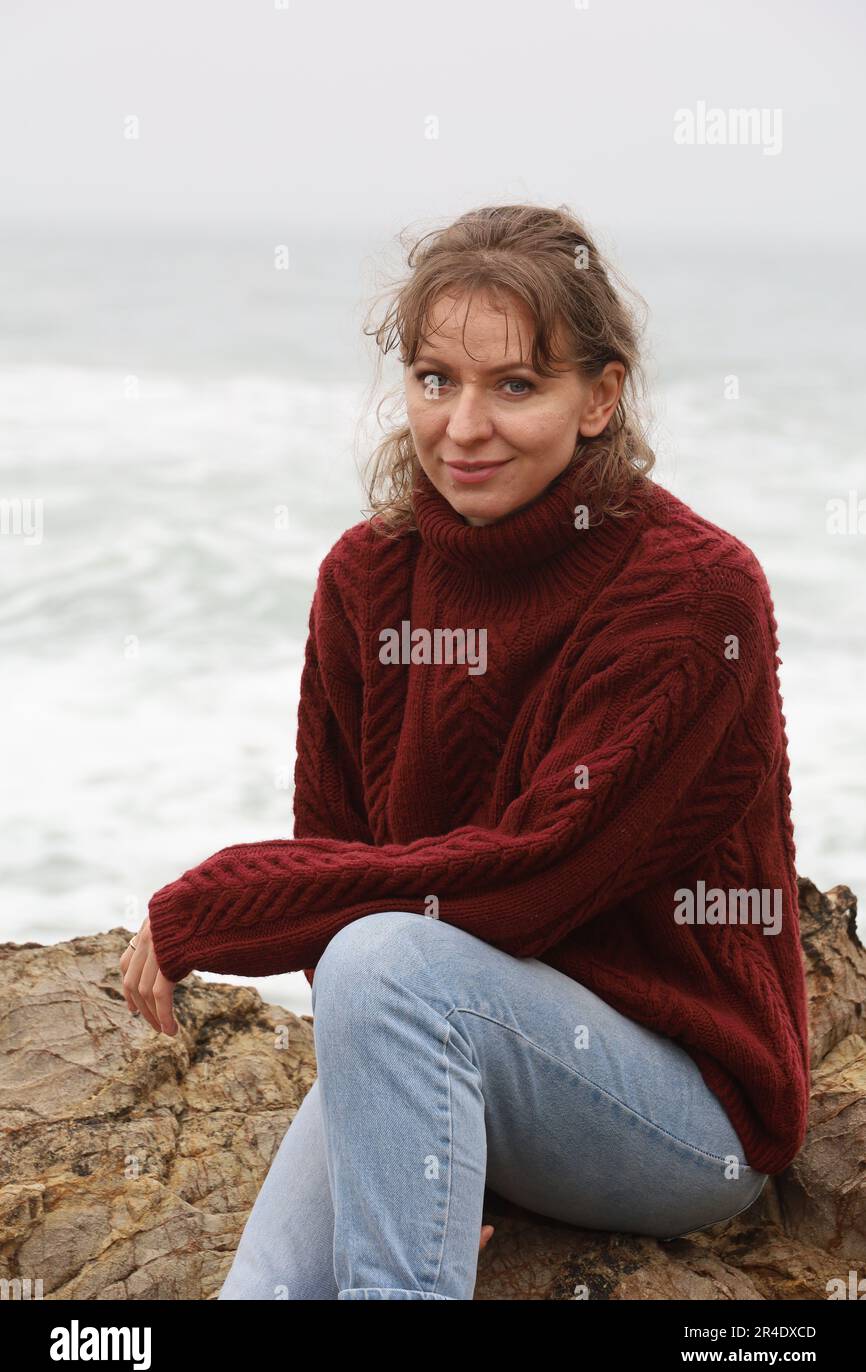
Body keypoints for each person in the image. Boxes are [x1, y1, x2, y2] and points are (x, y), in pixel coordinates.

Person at [120, 204, 810, 1301]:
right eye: (435, 379)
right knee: (260, 1292)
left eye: (516, 386)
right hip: (454, 1034)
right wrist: (423, 1136)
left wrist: (231, 900)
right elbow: (340, 859)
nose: (464, 426)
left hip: (684, 1109)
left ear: (600, 397)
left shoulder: (690, 593)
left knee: (383, 961)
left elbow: (537, 874)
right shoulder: (366, 578)